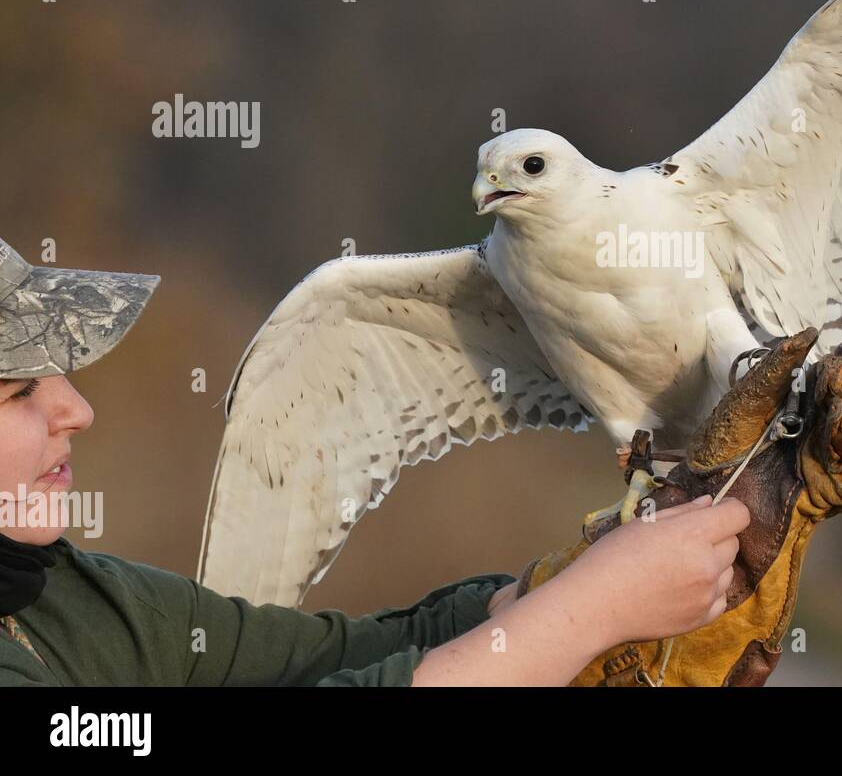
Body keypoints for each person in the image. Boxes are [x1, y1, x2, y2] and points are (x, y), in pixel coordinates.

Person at [0, 237, 750, 686]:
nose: (78, 410)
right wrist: (591, 612)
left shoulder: (70, 600)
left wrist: (558, 585)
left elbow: (329, 661)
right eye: (21, 391)